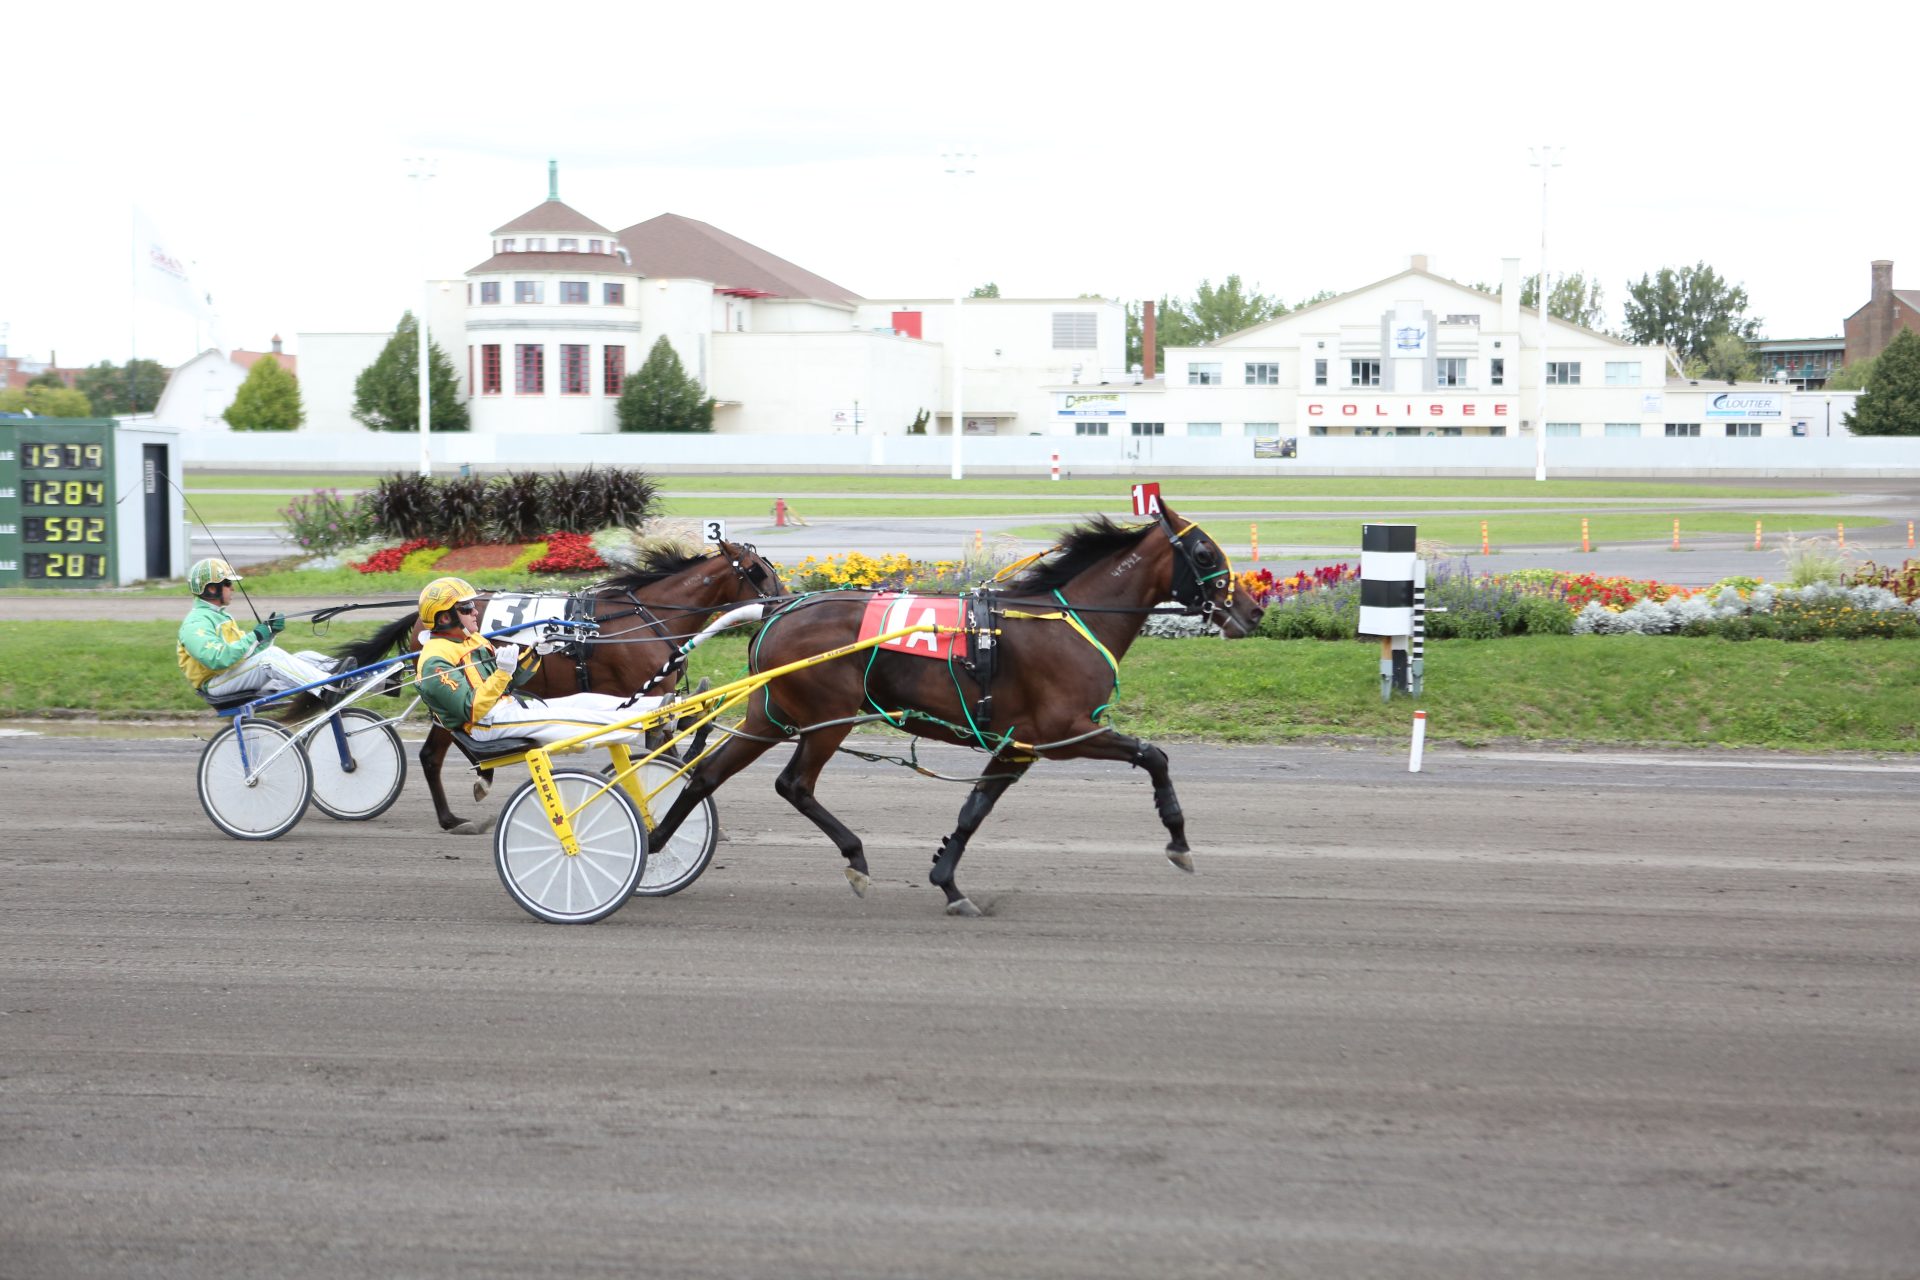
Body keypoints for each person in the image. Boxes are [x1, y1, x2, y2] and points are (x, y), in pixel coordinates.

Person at [413, 576, 658, 748]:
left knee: (586, 701)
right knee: (572, 718)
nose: (476, 611)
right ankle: (646, 728)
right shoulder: (435, 662)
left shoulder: (472, 640)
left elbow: (509, 682)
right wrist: (502, 672)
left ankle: (661, 708)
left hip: (506, 709)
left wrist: (535, 654)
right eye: (467, 608)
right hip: (485, 726)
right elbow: (474, 710)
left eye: (474, 606)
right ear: (444, 618)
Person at [177, 558, 339, 701]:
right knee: (270, 658)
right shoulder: (195, 623)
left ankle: (343, 673)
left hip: (231, 676)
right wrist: (255, 635)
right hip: (215, 684)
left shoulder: (221, 616)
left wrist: (269, 634)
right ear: (212, 588)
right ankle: (328, 688)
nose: (232, 588)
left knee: (303, 657)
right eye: (228, 583)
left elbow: (247, 654)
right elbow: (217, 659)